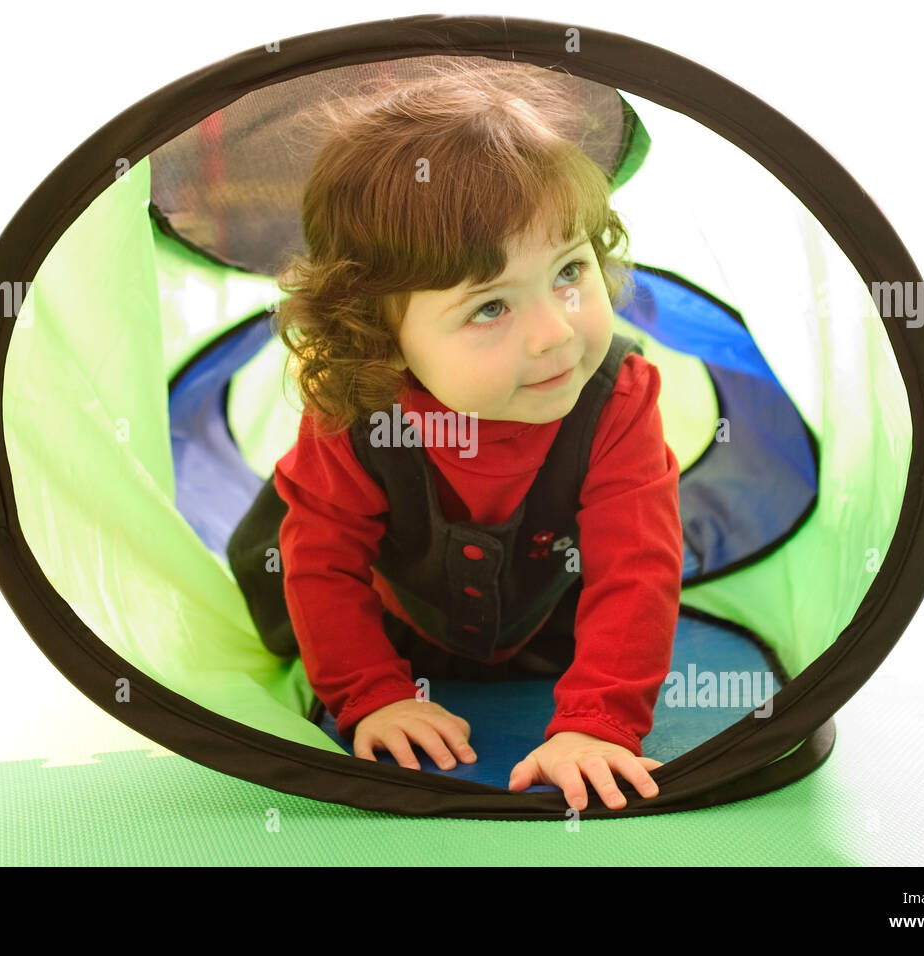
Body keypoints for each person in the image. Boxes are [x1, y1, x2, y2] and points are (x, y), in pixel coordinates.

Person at [226, 60, 683, 811]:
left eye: (569, 270)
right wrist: (371, 696)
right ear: (383, 336)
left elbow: (636, 568)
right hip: (399, 628)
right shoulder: (359, 407)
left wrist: (599, 723)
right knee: (286, 550)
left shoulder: (619, 399)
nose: (554, 332)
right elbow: (324, 560)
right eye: (489, 309)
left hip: (541, 623)